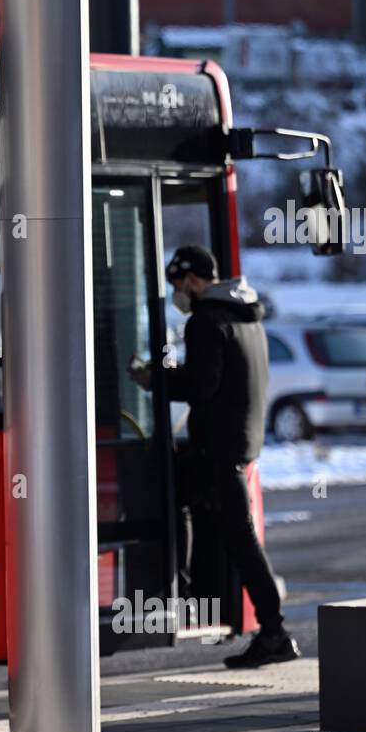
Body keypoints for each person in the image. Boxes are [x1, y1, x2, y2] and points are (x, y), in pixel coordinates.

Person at [130, 245, 300, 669]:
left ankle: (274, 631)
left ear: (192, 279)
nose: (176, 292)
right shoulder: (247, 316)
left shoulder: (206, 320)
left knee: (240, 538)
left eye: (176, 284)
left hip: (220, 451)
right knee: (177, 498)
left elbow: (202, 385)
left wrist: (156, 379)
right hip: (236, 445)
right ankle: (189, 596)